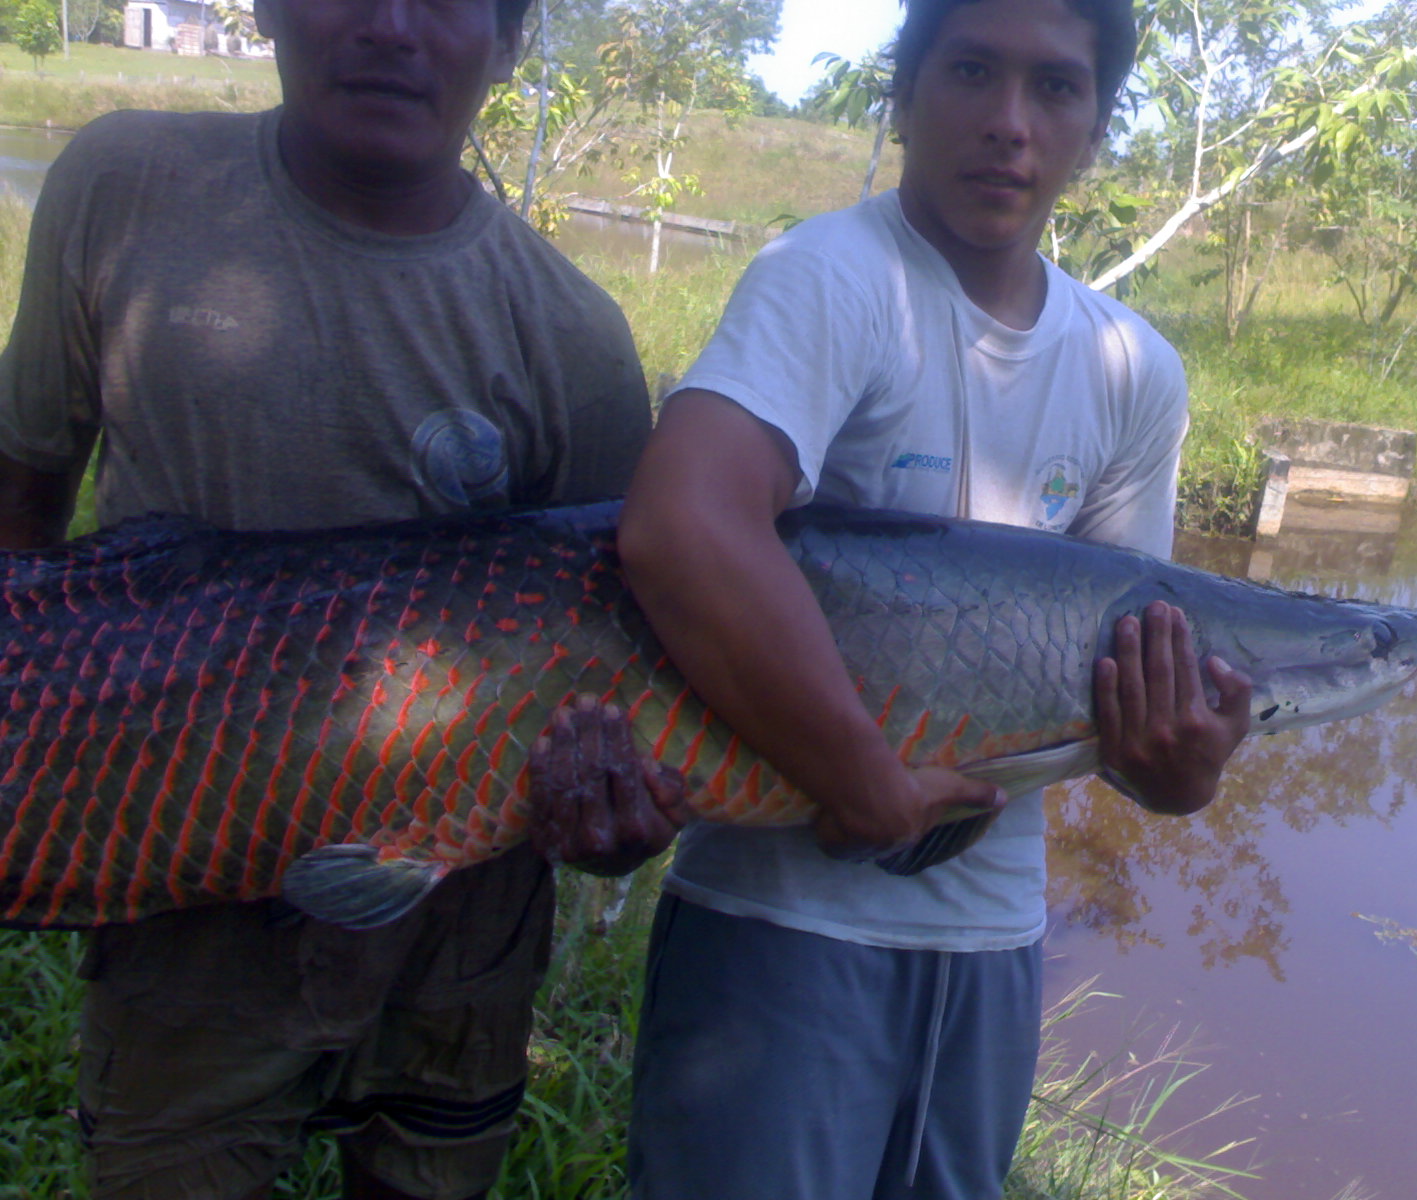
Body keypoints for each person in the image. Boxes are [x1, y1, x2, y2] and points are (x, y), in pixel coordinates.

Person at [0, 1, 683, 1197]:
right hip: (176, 901)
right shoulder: (122, 185)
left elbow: (630, 658)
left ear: (513, 37)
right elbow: (22, 512)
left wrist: (620, 810)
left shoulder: (573, 335)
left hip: (456, 932)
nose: (388, 26)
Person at [617, 0, 1256, 1197]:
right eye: (971, 71)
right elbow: (683, 524)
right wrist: (866, 784)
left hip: (994, 941)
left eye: (1055, 89)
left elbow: (1127, 686)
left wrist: (1180, 771)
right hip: (777, 933)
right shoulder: (829, 279)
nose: (1009, 125)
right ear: (904, 93)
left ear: (1096, 124)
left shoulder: (1133, 369)